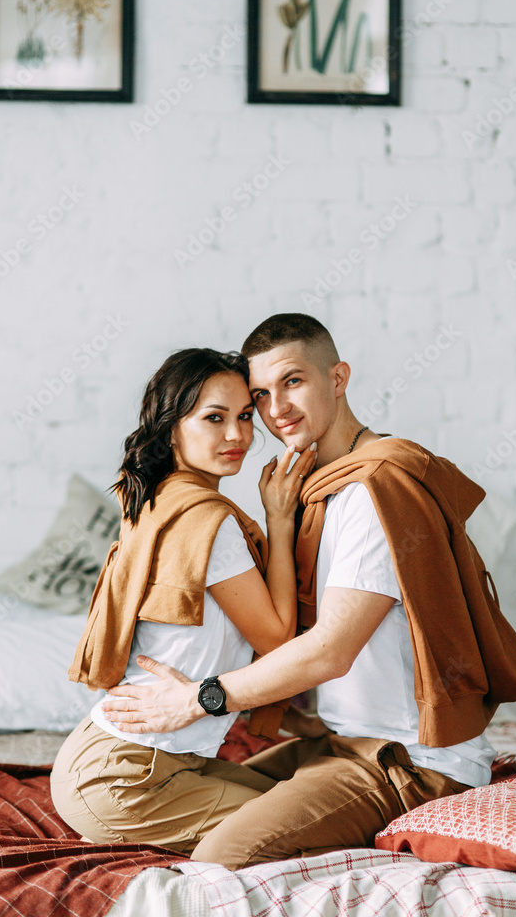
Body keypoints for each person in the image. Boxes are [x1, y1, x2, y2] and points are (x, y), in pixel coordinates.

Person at [101, 314, 516, 869]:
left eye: (293, 382)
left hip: (407, 762)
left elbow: (330, 650)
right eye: (261, 396)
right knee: (176, 806)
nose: (275, 411)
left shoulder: (374, 490)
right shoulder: (322, 490)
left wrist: (197, 697)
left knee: (222, 854)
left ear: (337, 378)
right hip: (343, 743)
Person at [51, 347, 317, 852]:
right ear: (172, 426)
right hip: (125, 779)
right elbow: (279, 637)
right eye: (214, 418)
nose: (237, 435)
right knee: (316, 831)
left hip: (143, 763)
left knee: (306, 802)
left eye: (244, 416)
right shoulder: (207, 521)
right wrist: (280, 523)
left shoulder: (163, 498)